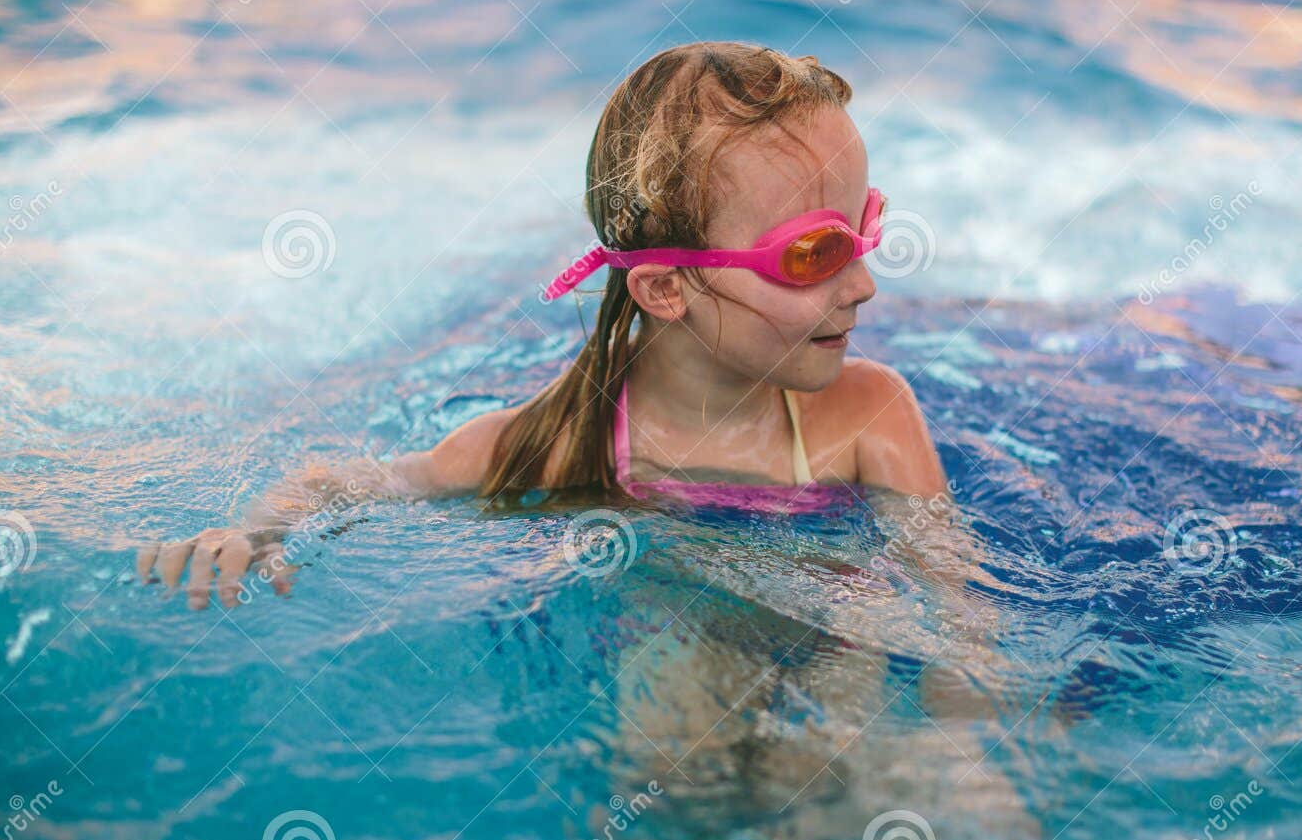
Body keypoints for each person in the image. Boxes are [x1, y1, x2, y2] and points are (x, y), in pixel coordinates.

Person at [138, 42, 952, 610]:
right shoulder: (564, 442)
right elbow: (354, 480)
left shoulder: (870, 414)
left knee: (859, 646)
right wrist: (252, 531)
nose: (867, 284)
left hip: (839, 641)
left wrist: (969, 753)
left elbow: (960, 610)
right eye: (818, 252)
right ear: (667, 288)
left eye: (867, 227)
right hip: (663, 626)